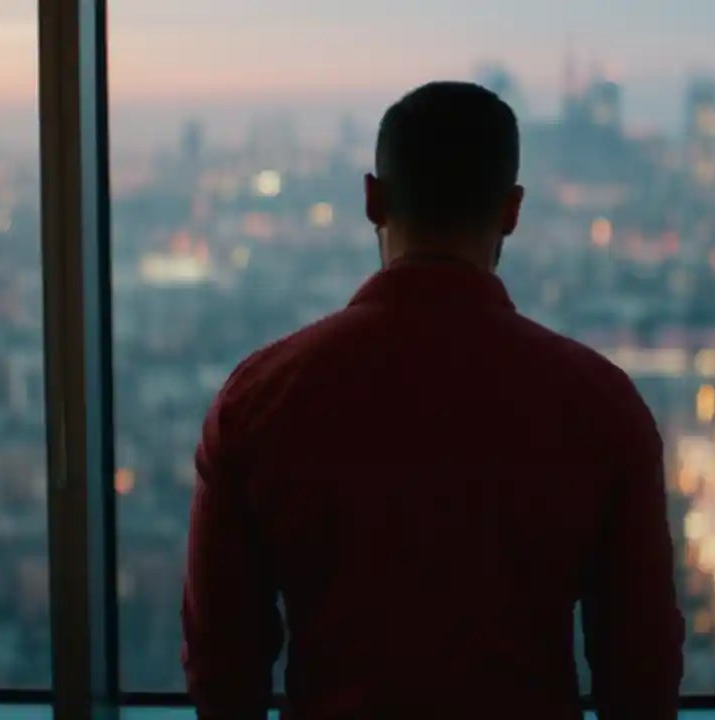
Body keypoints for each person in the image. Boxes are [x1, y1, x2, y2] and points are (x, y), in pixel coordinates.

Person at [182, 81, 684, 720]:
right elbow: (641, 668)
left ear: (373, 199)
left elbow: (220, 662)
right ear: (511, 210)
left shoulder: (258, 400)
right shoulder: (603, 406)